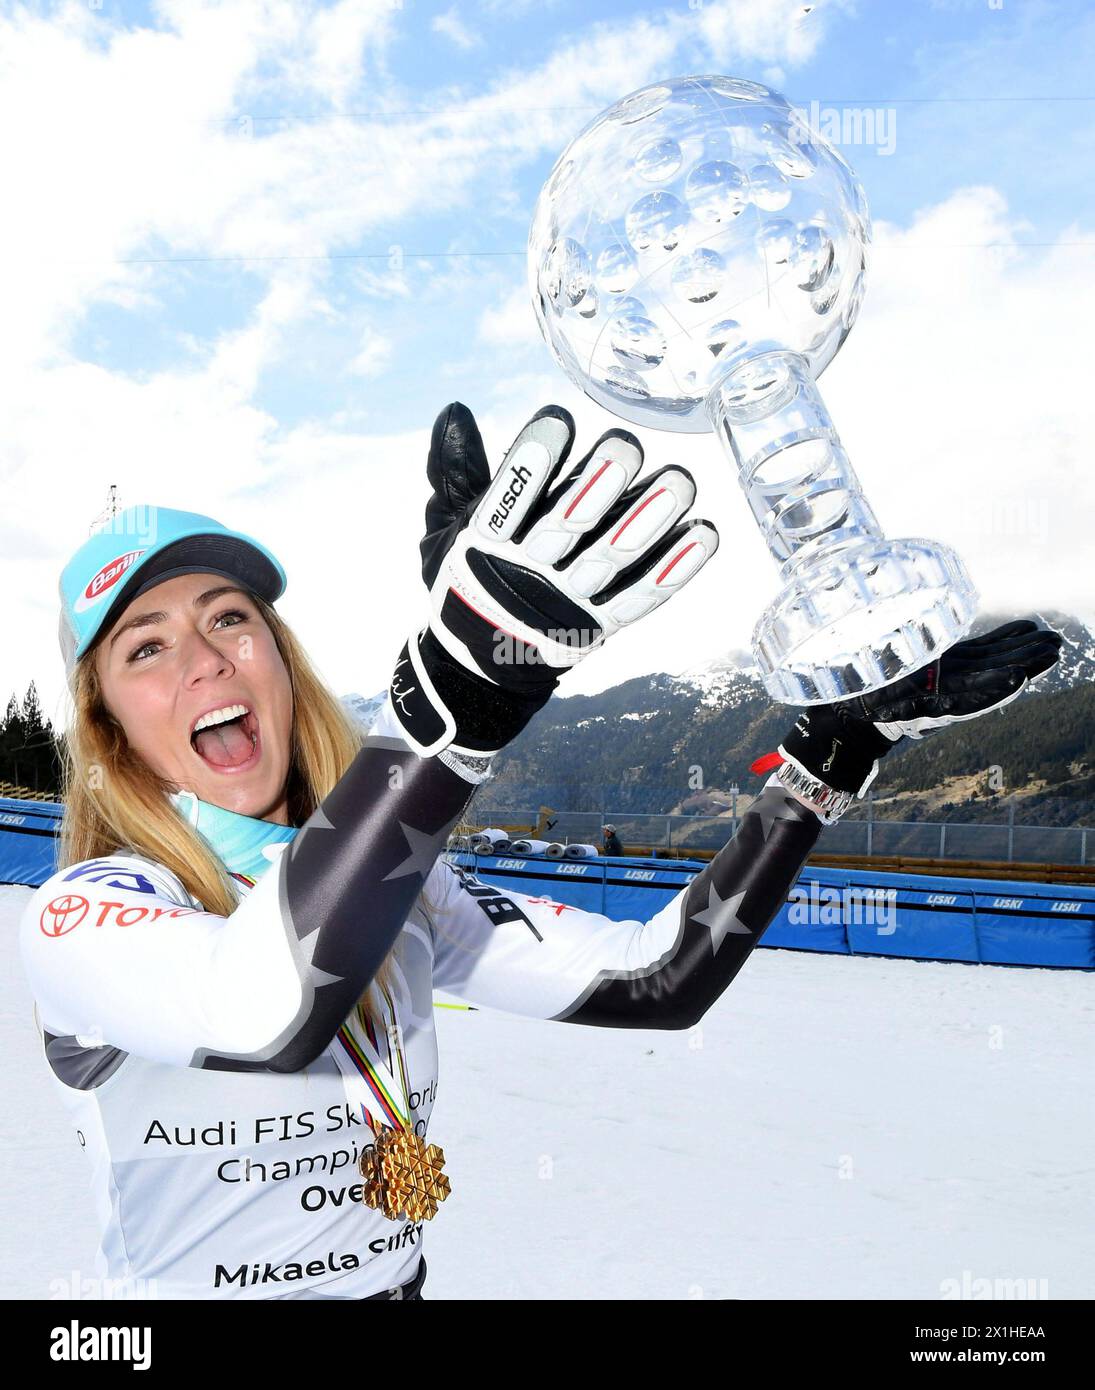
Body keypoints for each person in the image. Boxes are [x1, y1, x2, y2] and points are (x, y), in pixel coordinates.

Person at [20, 400, 1061, 1301]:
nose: (204, 660)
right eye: (145, 646)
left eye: (229, 618)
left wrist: (829, 754)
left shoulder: (406, 887)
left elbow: (657, 979)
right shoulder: (86, 911)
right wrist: (449, 702)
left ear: (280, 662)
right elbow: (262, 1009)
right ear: (107, 723)